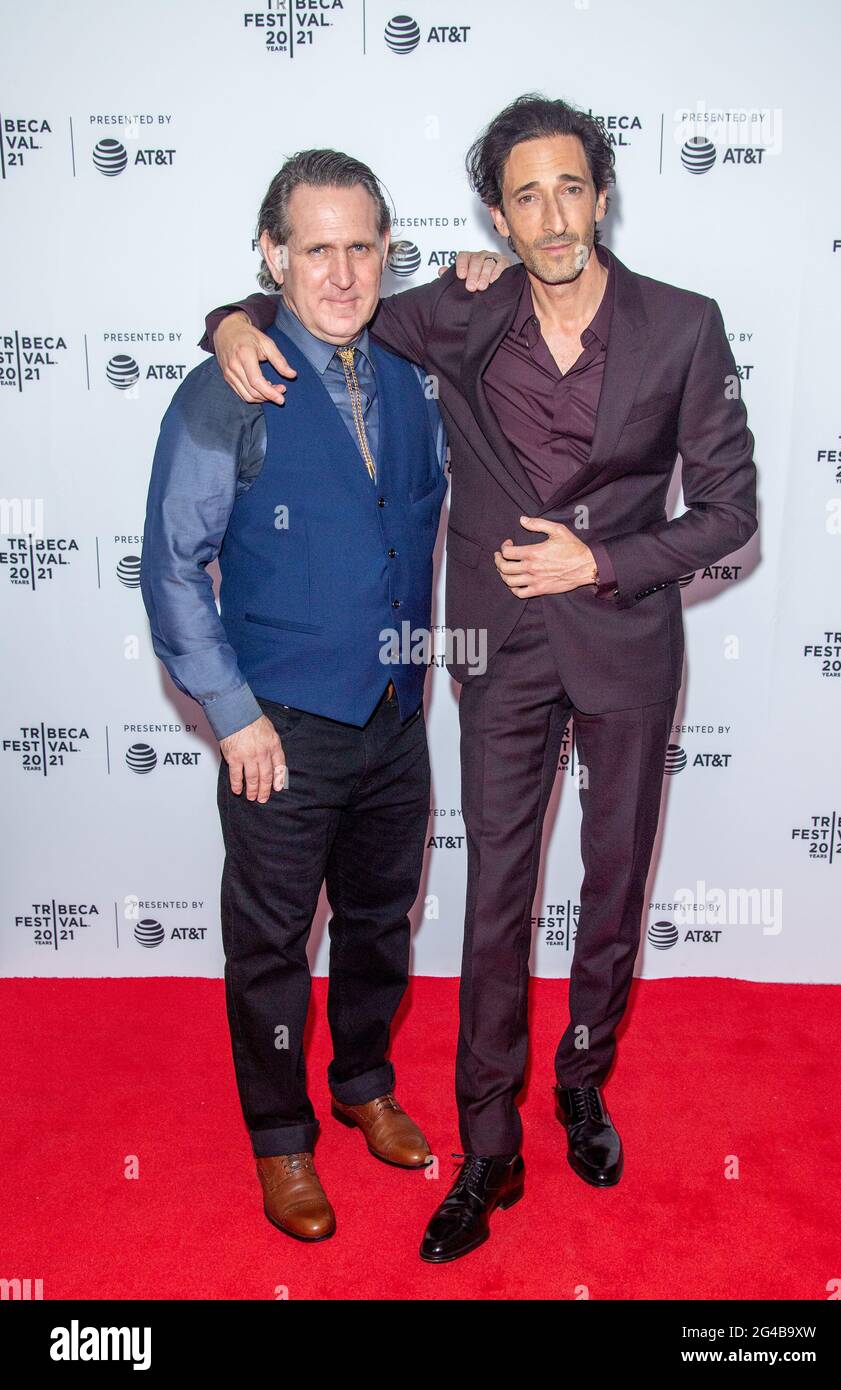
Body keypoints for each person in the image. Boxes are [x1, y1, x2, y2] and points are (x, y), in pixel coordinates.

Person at [200, 95, 759, 1264]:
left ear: (602, 195)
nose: (550, 217)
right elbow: (324, 300)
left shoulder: (683, 327)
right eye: (523, 195)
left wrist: (599, 556)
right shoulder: (459, 314)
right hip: (497, 655)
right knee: (494, 899)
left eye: (569, 188)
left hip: (627, 649)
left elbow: (729, 513)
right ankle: (486, 1145)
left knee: (609, 893)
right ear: (495, 216)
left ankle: (583, 1082)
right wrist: (230, 318)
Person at [141, 149, 503, 1243]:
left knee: (380, 923)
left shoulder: (407, 373)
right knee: (269, 945)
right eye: (314, 250)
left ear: (385, 254)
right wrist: (231, 710)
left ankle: (361, 1079)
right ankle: (280, 1138)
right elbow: (168, 563)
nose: (339, 274)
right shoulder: (226, 384)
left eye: (360, 248)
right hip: (281, 726)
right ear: (272, 256)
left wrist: (483, 273)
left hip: (395, 716)